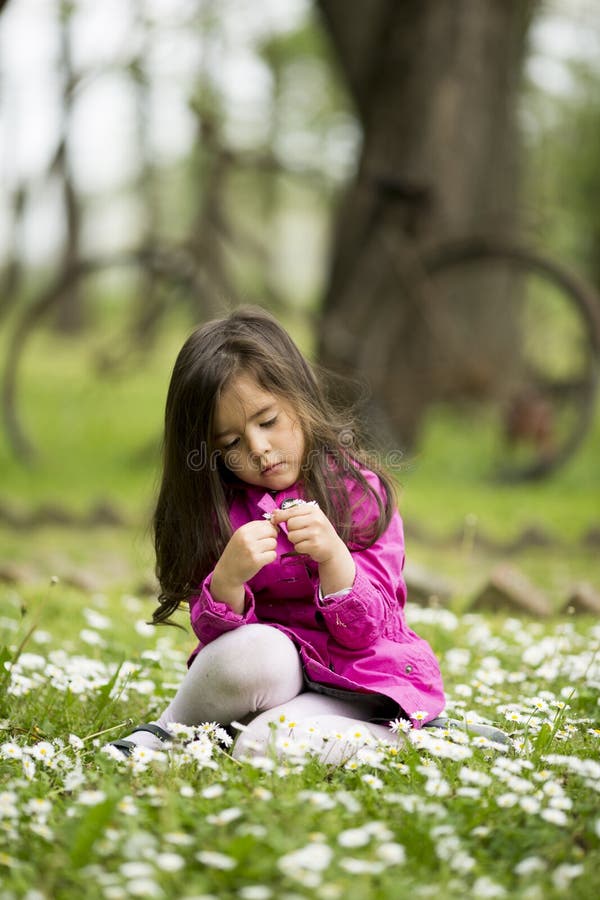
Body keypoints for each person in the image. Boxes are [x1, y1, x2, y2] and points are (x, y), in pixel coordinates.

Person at [110, 307, 502, 763]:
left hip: (359, 683)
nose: (258, 449)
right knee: (255, 654)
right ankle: (169, 731)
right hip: (279, 679)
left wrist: (335, 559)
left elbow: (368, 630)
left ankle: (422, 740)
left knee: (261, 746)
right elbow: (222, 648)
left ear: (299, 399)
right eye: (231, 443)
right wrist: (227, 582)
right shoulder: (222, 511)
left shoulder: (357, 493)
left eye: (267, 420)